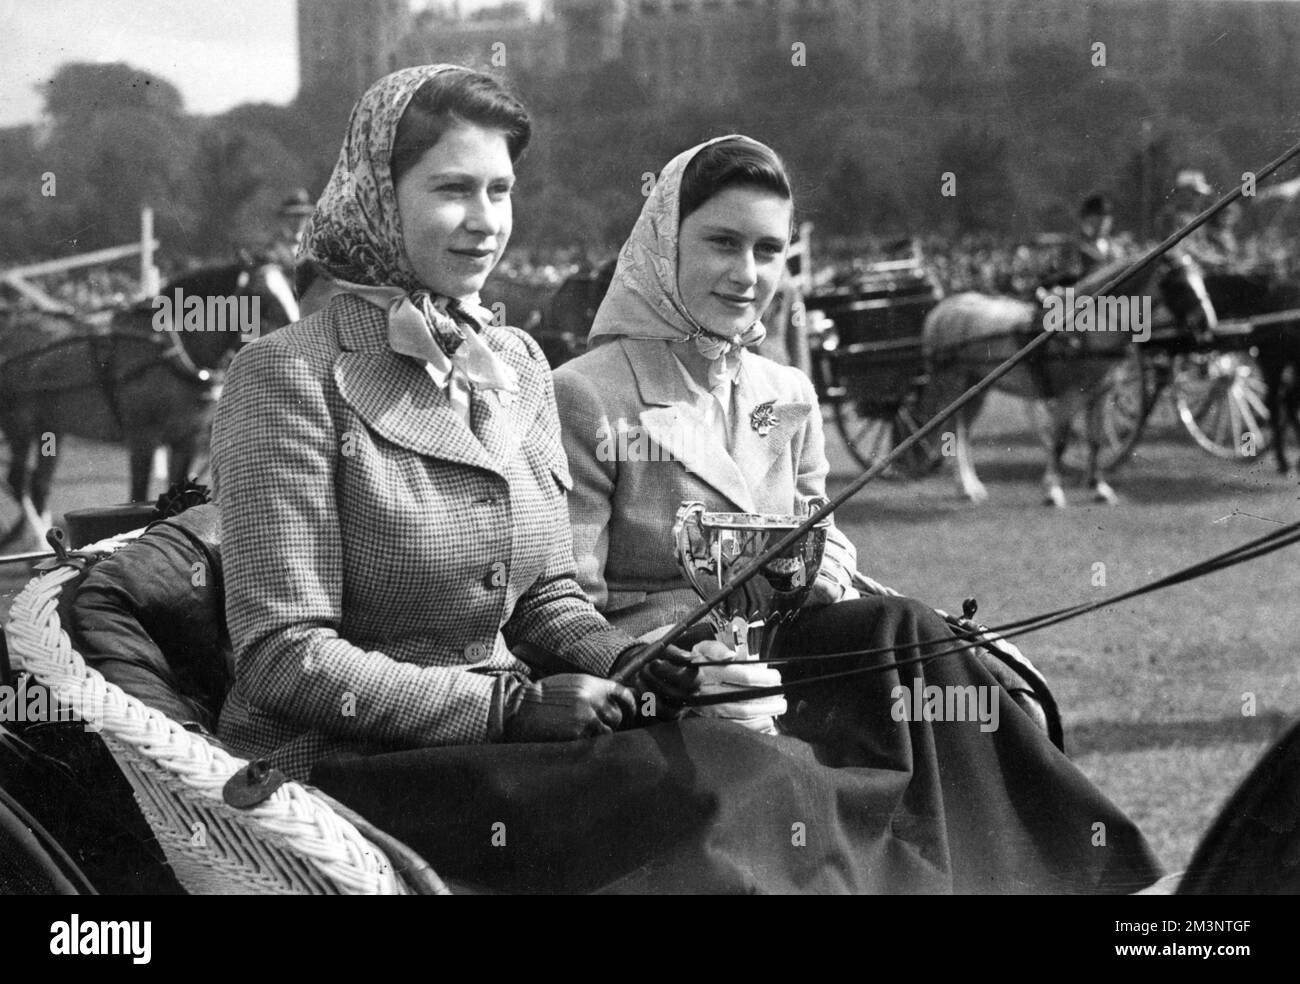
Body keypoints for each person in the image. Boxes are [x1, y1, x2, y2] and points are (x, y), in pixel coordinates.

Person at [550, 136, 1163, 892]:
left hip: (794, 650)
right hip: (673, 685)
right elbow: (569, 596)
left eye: (769, 250)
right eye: (721, 244)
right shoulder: (586, 395)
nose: (747, 275)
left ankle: (1073, 871)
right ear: (661, 246)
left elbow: (822, 527)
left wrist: (822, 573)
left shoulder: (787, 392)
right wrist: (676, 662)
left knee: (905, 629)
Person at [210, 65, 705, 786]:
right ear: (378, 196)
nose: (485, 221)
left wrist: (622, 658)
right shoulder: (285, 375)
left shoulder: (516, 362)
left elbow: (545, 598)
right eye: (452, 190)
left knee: (733, 774)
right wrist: (507, 708)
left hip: (502, 754)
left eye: (499, 191)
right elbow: (284, 656)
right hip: (341, 776)